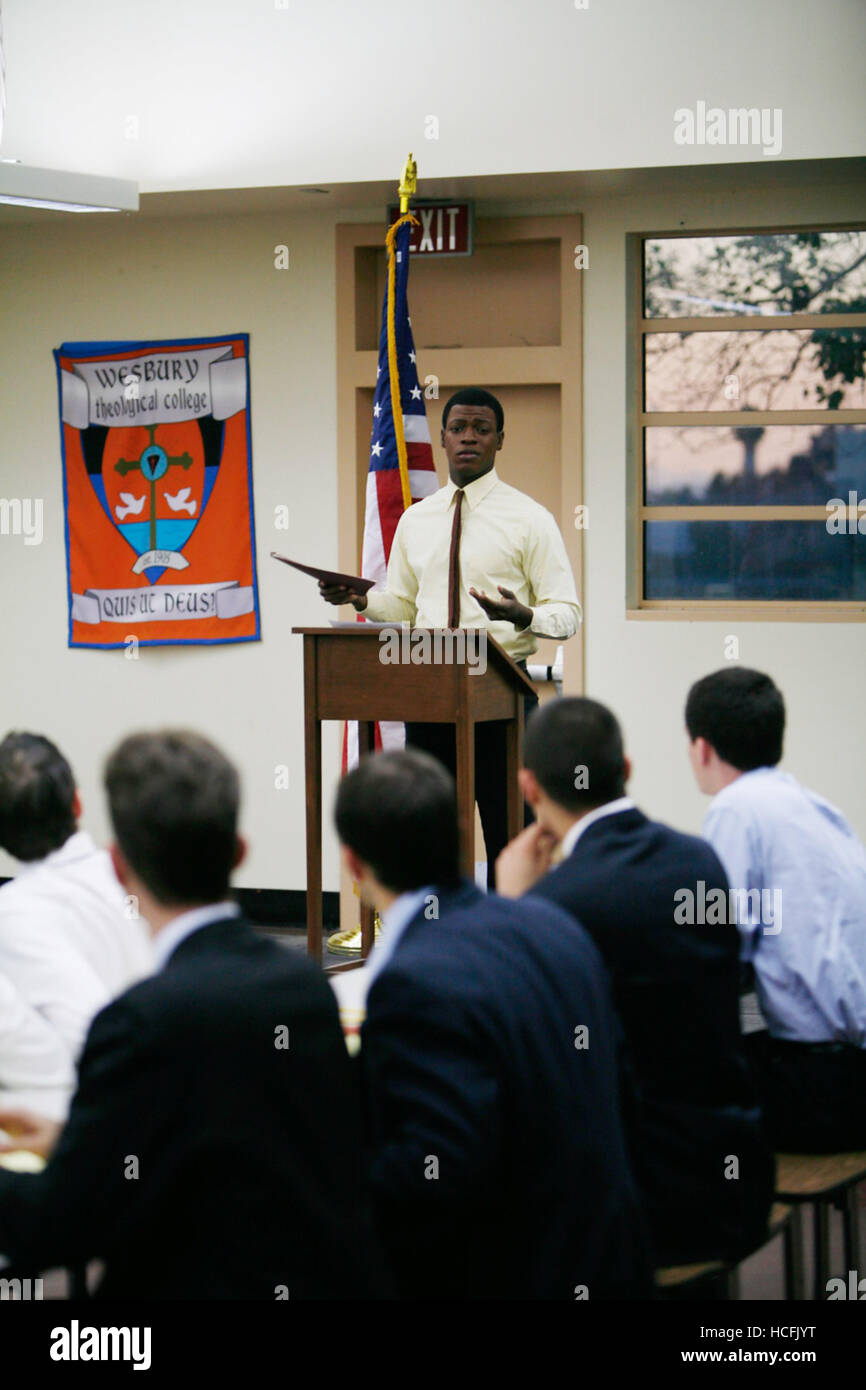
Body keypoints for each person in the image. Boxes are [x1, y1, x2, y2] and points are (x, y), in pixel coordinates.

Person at [0, 730, 387, 1299]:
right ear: (240, 851)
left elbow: (58, 1226)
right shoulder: (304, 987)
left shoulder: (138, 1021)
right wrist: (78, 1141)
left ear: (119, 866)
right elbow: (225, 1144)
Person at [335, 747, 651, 1300]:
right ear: (460, 834)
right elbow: (622, 1092)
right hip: (614, 1255)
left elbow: (437, 1177)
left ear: (354, 865)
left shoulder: (414, 983)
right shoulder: (558, 928)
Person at [496, 697, 774, 1267]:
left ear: (529, 789)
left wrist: (515, 913)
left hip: (640, 1206)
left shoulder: (551, 903)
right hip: (736, 1181)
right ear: (625, 769)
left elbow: (522, 1048)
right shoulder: (700, 862)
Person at [320, 387, 581, 886]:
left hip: (501, 696)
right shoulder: (417, 520)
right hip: (430, 699)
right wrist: (359, 600)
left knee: (513, 835)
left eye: (481, 429)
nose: (469, 438)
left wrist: (523, 615)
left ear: (499, 440)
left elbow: (568, 614)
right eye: (458, 428)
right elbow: (401, 605)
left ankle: (514, 947)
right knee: (430, 836)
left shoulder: (530, 519)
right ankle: (439, 942)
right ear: (442, 438)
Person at [685, 666, 866, 1152]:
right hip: (852, 1069)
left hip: (817, 1084)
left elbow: (722, 944)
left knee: (652, 1078)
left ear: (701, 747)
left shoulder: (735, 809)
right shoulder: (819, 808)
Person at [0, 733, 153, 1089]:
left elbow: (87, 1036)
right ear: (78, 803)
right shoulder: (142, 879)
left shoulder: (13, 914)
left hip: (93, 1111)